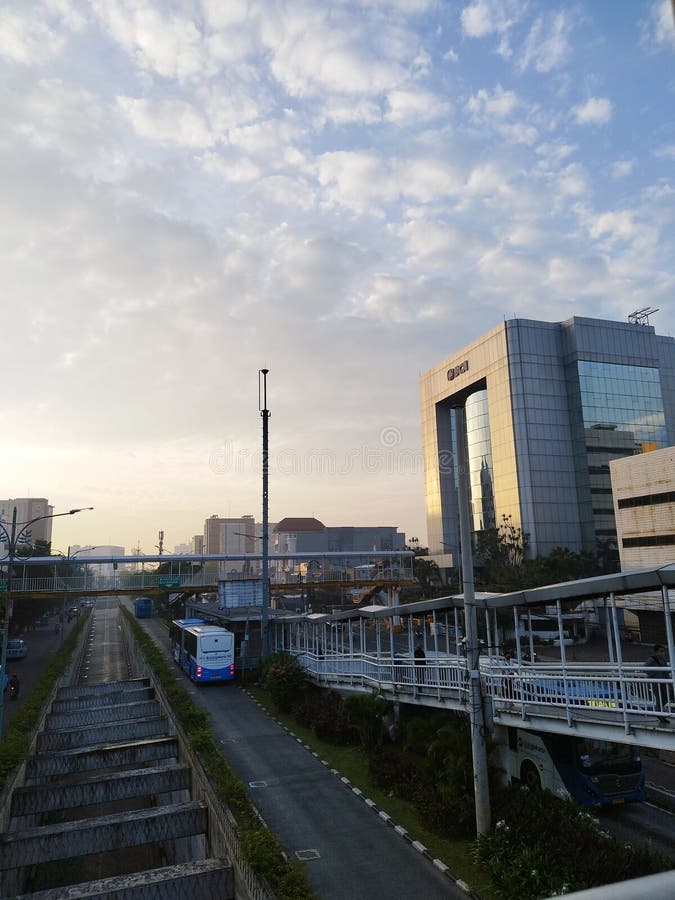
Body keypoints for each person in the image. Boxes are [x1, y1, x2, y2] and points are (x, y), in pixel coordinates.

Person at [643, 643, 670, 718]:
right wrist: (654, 674)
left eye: (663, 651)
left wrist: (668, 680)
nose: (663, 653)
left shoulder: (663, 660)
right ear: (656, 652)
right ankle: (660, 714)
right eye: (661, 651)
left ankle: (659, 711)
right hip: (656, 683)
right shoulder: (652, 659)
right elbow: (645, 669)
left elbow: (666, 671)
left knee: (665, 698)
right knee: (659, 698)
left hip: (664, 681)